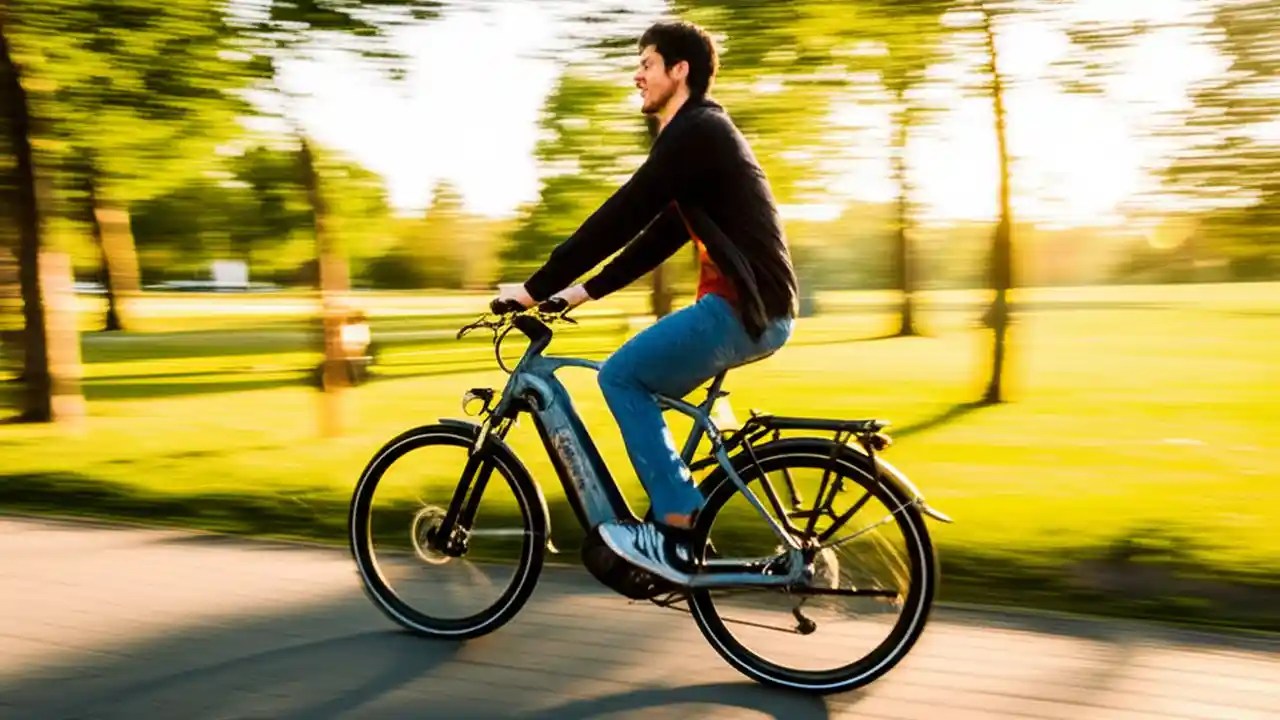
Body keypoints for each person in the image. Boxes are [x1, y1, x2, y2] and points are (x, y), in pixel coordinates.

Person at [492, 20, 798, 585]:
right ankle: (671, 520)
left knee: (622, 377)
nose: (637, 75)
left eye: (648, 63)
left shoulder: (697, 131)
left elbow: (623, 213)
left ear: (680, 71)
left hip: (741, 310)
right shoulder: (698, 138)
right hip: (750, 311)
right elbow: (658, 235)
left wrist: (533, 287)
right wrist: (576, 293)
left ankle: (675, 524)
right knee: (641, 383)